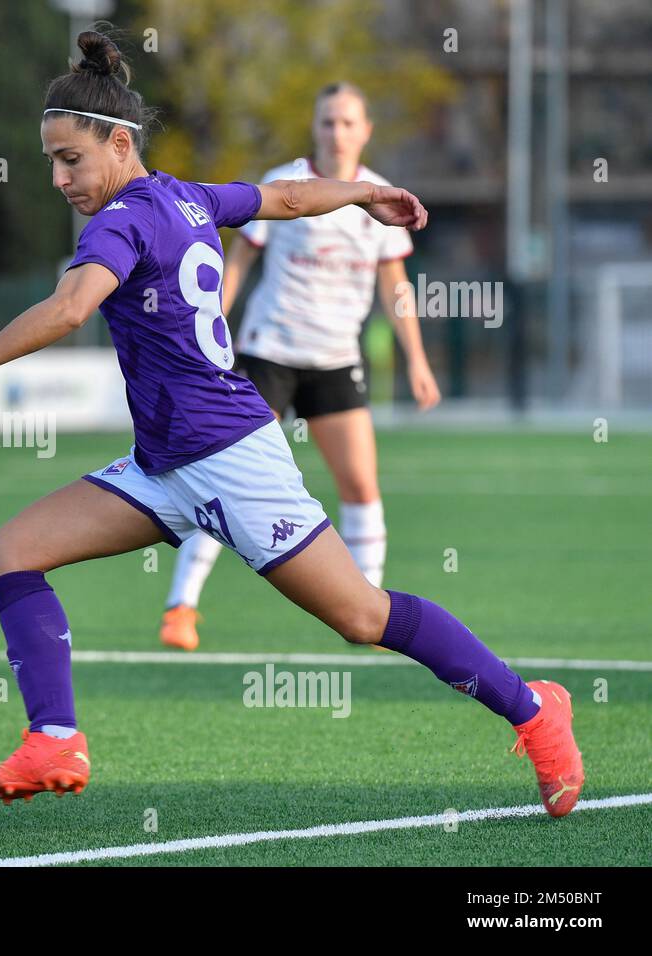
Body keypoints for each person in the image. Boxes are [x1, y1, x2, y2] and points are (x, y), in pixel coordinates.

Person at [0, 32, 583, 818]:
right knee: (11, 554)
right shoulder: (187, 196)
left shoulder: (118, 223)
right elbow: (280, 200)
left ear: (119, 142)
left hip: (233, 458)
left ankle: (535, 712)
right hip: (164, 464)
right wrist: (359, 195)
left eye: (70, 159)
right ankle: (55, 738)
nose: (58, 177)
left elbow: (70, 308)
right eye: (49, 161)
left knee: (361, 615)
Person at [160, 81, 441, 653]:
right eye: (327, 122)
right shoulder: (288, 183)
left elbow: (396, 288)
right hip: (270, 354)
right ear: (316, 129)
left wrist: (418, 359)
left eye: (347, 122)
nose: (336, 131)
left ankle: (372, 611)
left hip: (336, 361)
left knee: (361, 485)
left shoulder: (381, 195)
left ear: (365, 131)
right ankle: (181, 606)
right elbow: (236, 262)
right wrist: (205, 331)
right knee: (226, 480)